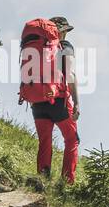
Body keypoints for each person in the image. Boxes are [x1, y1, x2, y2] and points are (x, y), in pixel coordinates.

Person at [30, 16, 79, 184]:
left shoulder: (37, 47)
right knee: (72, 139)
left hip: (37, 102)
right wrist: (77, 102)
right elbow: (70, 74)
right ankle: (67, 182)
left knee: (45, 140)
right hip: (58, 101)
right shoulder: (64, 46)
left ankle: (42, 180)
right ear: (62, 31)